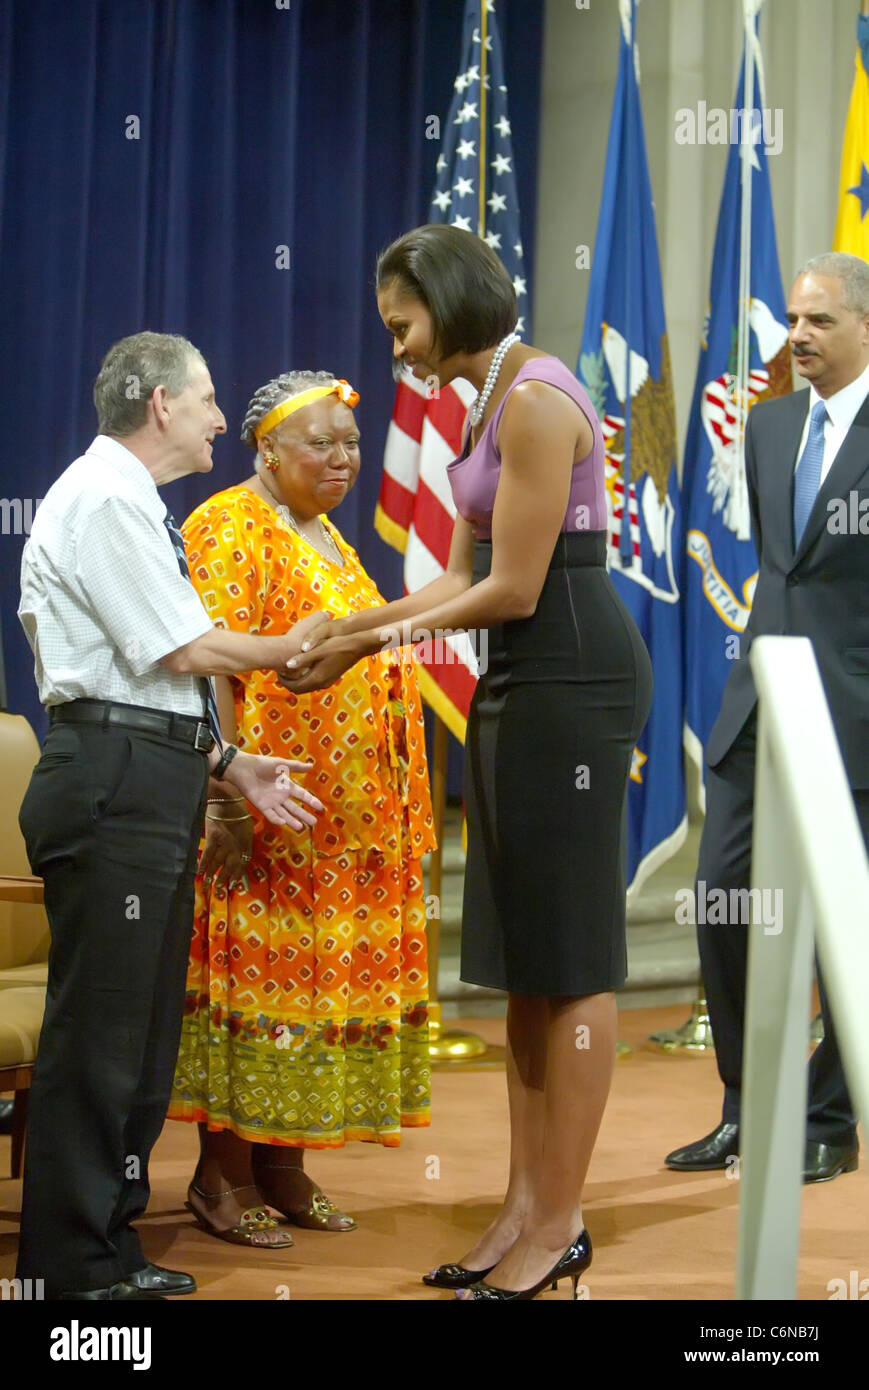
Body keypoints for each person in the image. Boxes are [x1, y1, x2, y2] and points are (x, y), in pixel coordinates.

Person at [282, 225, 653, 1300]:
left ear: (445, 300)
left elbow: (514, 589)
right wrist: (355, 626)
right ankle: (523, 1205)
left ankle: (560, 1222)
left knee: (568, 956)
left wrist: (359, 638)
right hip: (514, 683)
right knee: (524, 964)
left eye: (400, 321)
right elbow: (454, 574)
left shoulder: (535, 398)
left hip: (570, 679)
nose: (392, 343)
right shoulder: (484, 397)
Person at [16, 332, 324, 1300]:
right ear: (158, 402)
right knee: (101, 1035)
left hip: (143, 772)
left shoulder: (125, 500)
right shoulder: (104, 494)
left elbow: (140, 676)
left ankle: (108, 1243)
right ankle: (70, 1266)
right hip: (110, 781)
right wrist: (292, 644)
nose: (218, 419)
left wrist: (229, 763)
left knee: (141, 1037)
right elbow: (181, 650)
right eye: (205, 400)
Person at [167, 371, 434, 1247]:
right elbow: (212, 665)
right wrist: (228, 802)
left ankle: (283, 1168)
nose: (342, 459)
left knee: (315, 999)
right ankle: (221, 1178)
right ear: (267, 449)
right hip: (274, 819)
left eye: (351, 444)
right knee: (262, 989)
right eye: (320, 442)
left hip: (346, 829)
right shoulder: (228, 524)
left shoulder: (321, 533)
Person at [665, 252, 869, 1183]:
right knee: (722, 896)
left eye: (819, 321)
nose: (797, 336)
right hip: (759, 705)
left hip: (857, 713)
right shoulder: (772, 422)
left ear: (864, 325)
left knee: (843, 930)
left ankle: (828, 1117)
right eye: (794, 318)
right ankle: (748, 1104)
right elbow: (781, 571)